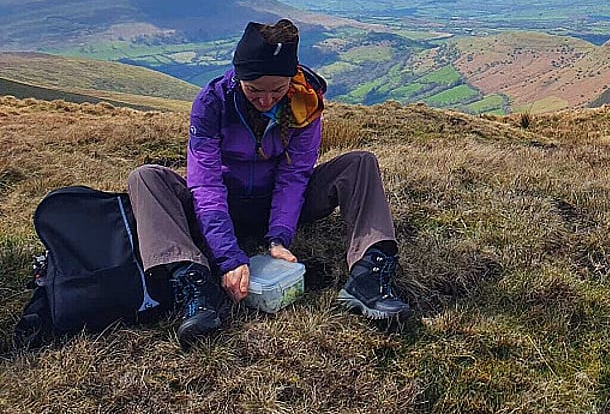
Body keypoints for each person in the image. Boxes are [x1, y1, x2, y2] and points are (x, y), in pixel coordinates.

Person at [127, 19, 412, 344]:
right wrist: (228, 258)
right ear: (239, 78)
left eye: (277, 90)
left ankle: (368, 274)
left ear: (290, 81)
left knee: (360, 163)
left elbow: (294, 176)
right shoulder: (211, 103)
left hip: (284, 202)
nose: (266, 100)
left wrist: (279, 237)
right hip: (225, 204)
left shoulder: (305, 103)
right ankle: (195, 283)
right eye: (255, 90)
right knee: (146, 178)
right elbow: (206, 186)